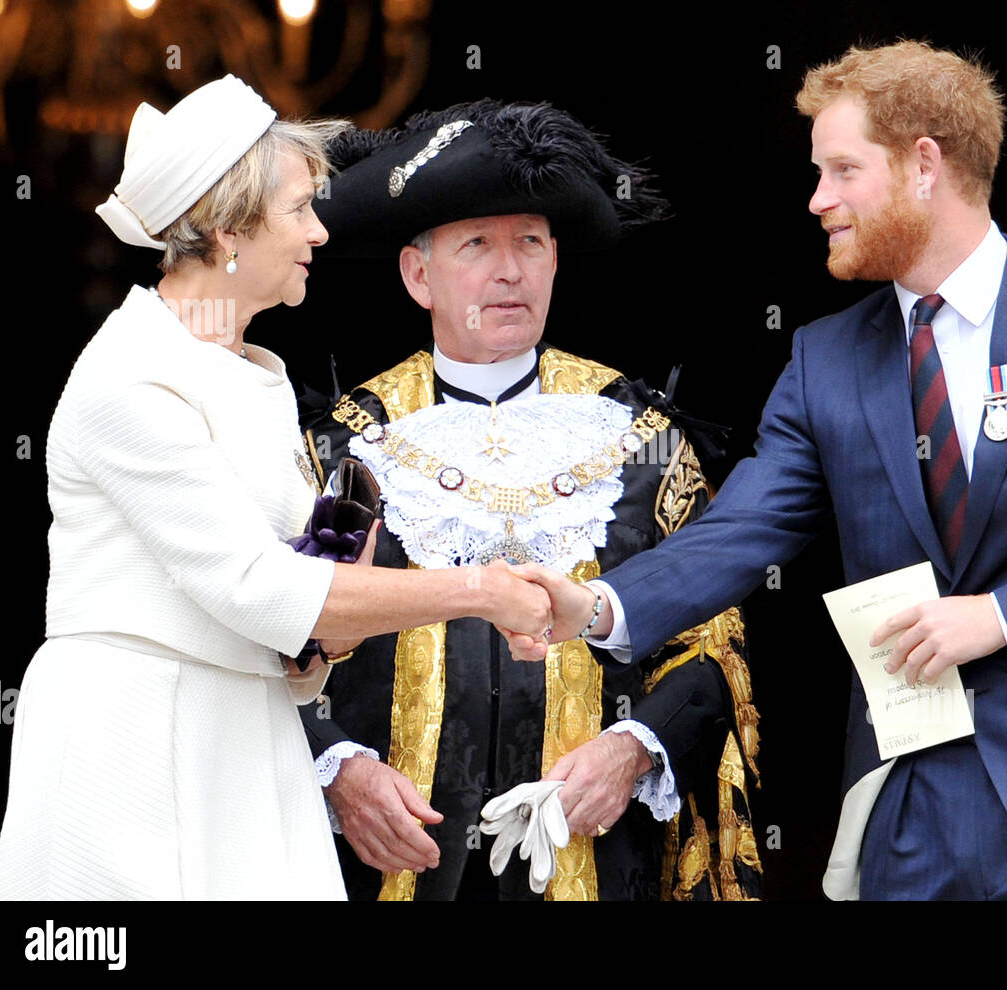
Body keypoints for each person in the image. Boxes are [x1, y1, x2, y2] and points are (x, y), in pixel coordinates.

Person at [511, 41, 1007, 900]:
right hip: (911, 821)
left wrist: (1004, 617)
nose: (818, 200)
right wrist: (597, 603)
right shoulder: (825, 358)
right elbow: (742, 530)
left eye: (841, 170)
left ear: (924, 164)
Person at [0, 76, 552, 901]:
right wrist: (481, 590)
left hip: (243, 738)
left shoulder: (250, 372)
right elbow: (258, 589)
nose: (320, 232)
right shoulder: (130, 377)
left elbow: (287, 621)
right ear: (226, 227)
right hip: (135, 747)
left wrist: (327, 625)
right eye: (299, 210)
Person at [297, 100, 762, 900]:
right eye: (478, 243)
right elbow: (271, 636)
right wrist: (335, 768)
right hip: (382, 870)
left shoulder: (645, 439)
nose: (510, 271)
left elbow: (715, 646)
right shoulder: (341, 453)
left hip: (599, 864)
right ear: (418, 274)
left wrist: (636, 748)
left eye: (532, 244)